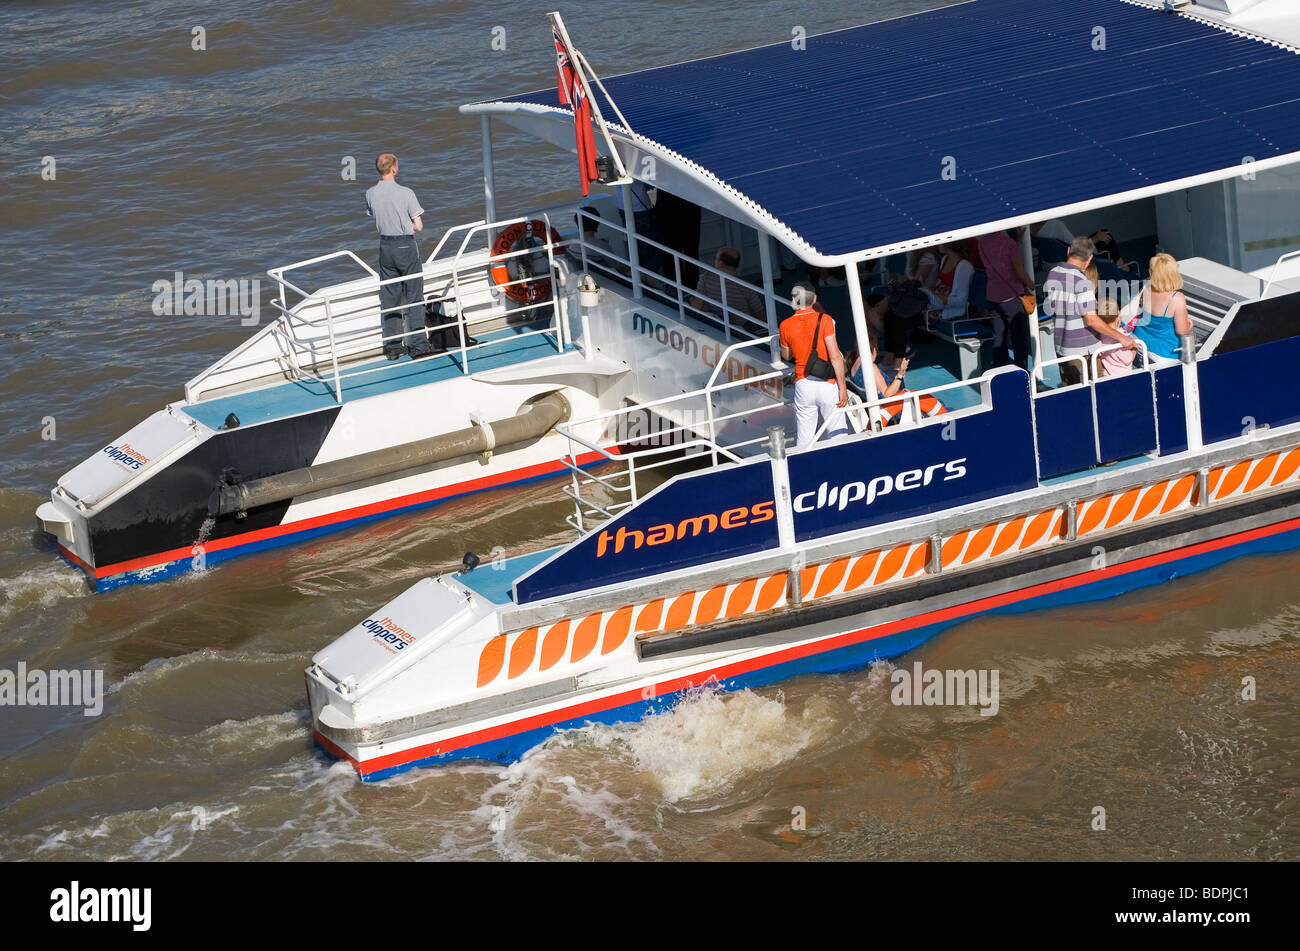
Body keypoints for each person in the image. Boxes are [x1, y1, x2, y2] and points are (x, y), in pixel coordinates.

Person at [1043, 237, 1135, 386]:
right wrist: (1121, 337)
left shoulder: (1053, 273)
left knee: (1070, 393)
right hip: (1083, 353)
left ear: (1068, 251)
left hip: (1061, 348)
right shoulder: (1082, 282)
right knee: (1094, 394)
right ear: (1090, 258)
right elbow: (1091, 319)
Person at [365, 153, 432, 360]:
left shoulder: (369, 193)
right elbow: (418, 226)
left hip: (385, 247)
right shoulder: (406, 193)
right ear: (394, 168)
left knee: (389, 297)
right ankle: (419, 345)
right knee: (413, 295)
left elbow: (375, 216)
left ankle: (393, 347)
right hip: (405, 245)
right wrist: (406, 222)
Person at [779, 283, 848, 448]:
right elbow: (836, 357)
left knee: (804, 440)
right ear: (815, 299)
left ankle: (803, 469)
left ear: (794, 300)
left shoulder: (785, 325)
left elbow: (787, 355)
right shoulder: (825, 320)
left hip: (803, 384)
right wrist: (843, 388)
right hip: (827, 383)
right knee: (838, 435)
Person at [978, 226, 1035, 370]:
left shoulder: (982, 242)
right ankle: (1022, 371)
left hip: (992, 297)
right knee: (1019, 340)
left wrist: (1018, 242)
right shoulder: (1009, 244)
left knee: (999, 338)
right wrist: (1030, 283)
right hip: (1012, 298)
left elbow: (999, 260)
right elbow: (1019, 270)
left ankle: (1001, 370)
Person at [1133, 253, 1192, 360]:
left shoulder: (1146, 288)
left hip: (1140, 345)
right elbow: (1182, 331)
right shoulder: (1177, 298)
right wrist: (1189, 325)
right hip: (1164, 353)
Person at [691, 247, 766, 324]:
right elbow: (762, 316)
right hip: (740, 327)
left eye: (715, 258)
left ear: (721, 262)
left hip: (717, 323)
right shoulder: (747, 287)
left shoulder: (705, 277)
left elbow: (696, 305)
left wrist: (692, 299)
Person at [927, 242, 977, 321]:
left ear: (949, 244)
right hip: (937, 303)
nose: (937, 244)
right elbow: (940, 283)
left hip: (950, 309)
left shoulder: (964, 266)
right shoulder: (945, 258)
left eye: (940, 242)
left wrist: (938, 298)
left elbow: (961, 301)